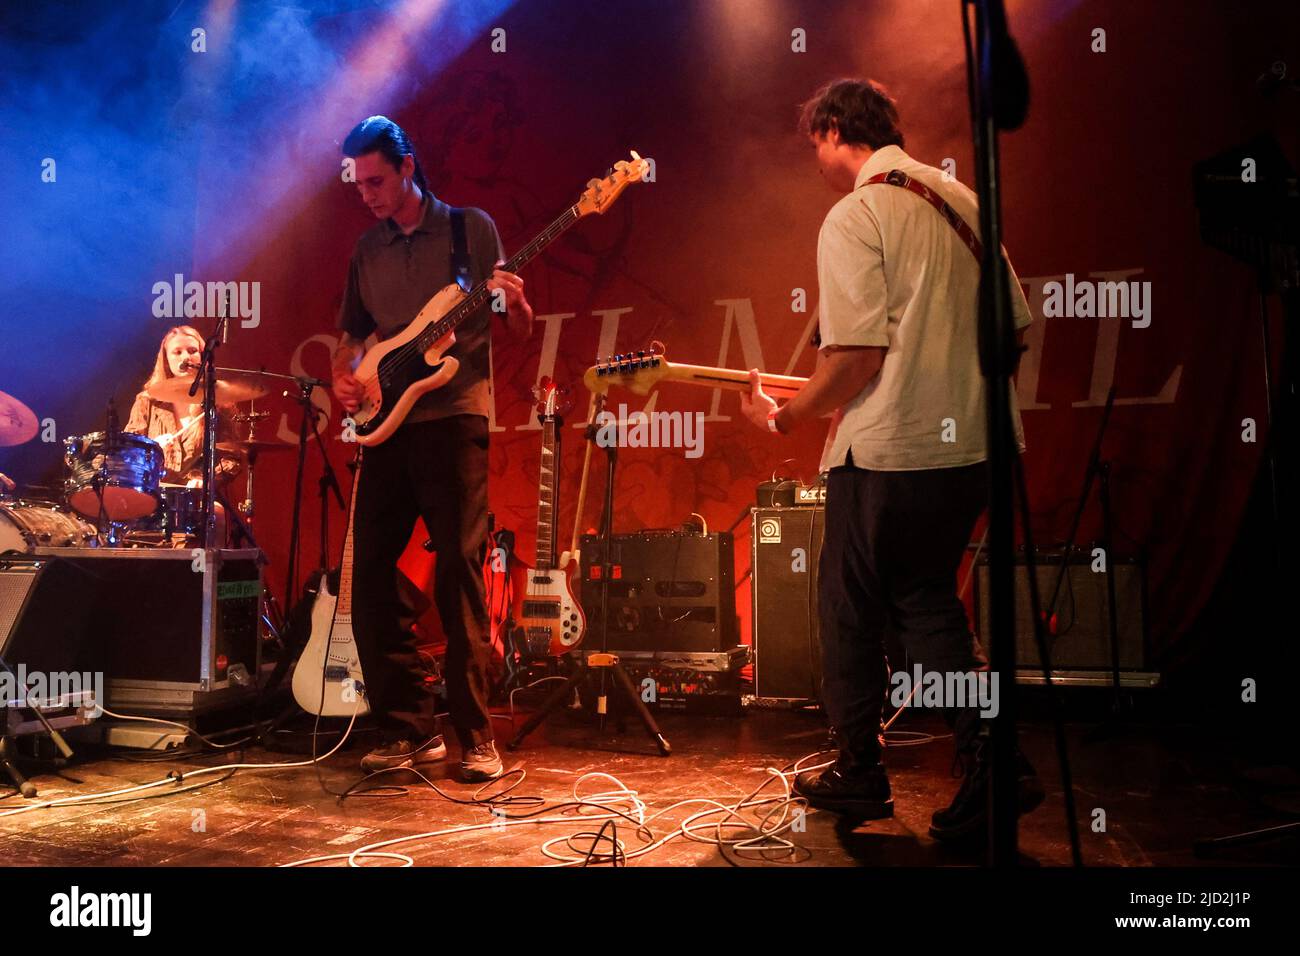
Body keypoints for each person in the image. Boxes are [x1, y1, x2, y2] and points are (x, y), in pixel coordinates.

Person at [740, 79, 1044, 841]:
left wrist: (785, 415)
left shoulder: (858, 212)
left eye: (815, 140)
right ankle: (993, 759)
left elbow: (855, 357)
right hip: (979, 449)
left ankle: (859, 771)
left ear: (837, 129)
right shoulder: (966, 200)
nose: (815, 158)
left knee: (848, 611)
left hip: (891, 452)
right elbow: (1015, 327)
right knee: (929, 605)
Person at [331, 116, 533, 781]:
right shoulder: (367, 248)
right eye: (359, 185)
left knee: (458, 572)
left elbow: (515, 323)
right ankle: (407, 726)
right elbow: (351, 336)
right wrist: (345, 377)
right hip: (386, 427)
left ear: (409, 167)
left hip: (453, 419)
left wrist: (515, 303)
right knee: (367, 579)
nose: (368, 195)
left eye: (377, 181)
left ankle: (475, 736)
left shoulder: (468, 229)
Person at [125, 325, 235, 541]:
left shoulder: (218, 402)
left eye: (192, 351)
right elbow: (128, 448)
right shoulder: (147, 400)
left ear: (203, 356)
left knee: (218, 513)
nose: (186, 357)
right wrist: (152, 446)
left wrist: (207, 480)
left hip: (195, 497)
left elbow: (232, 457)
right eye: (177, 352)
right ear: (167, 360)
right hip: (152, 492)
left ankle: (205, 572)